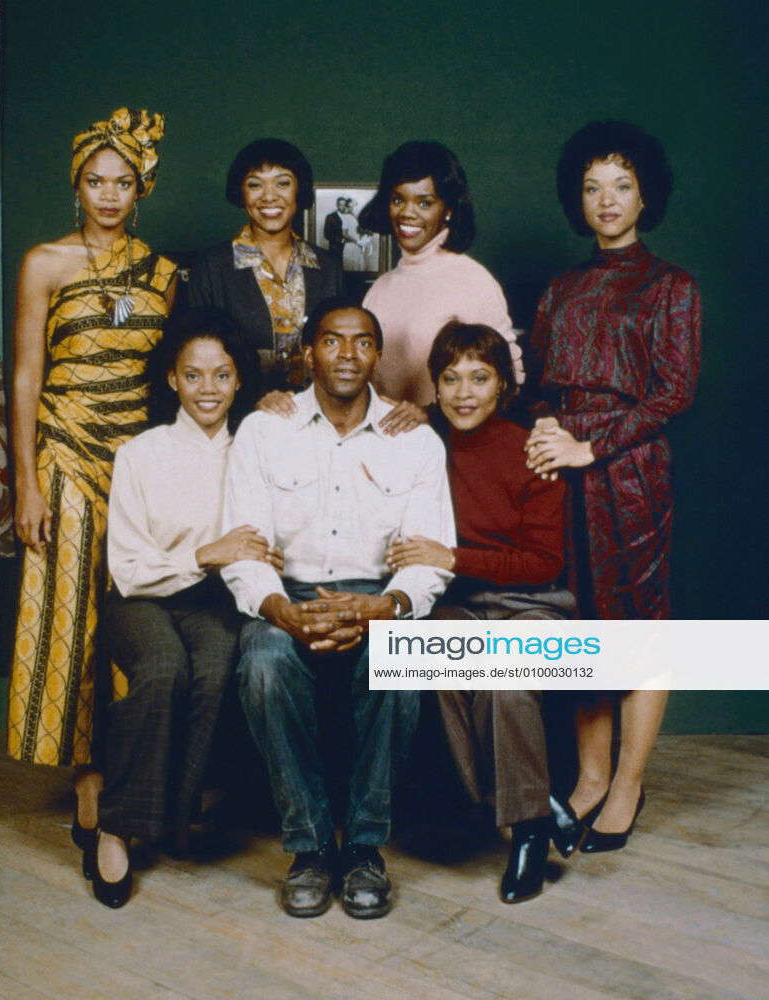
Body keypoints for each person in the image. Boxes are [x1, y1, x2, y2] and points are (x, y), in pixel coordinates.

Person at [221, 296, 455, 919]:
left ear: (378, 355)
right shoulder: (263, 429)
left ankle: (365, 849)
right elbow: (244, 546)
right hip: (286, 595)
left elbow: (427, 559)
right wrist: (278, 608)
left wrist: (386, 606)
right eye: (331, 340)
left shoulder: (416, 442)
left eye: (361, 342)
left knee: (402, 666)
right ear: (308, 352)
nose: (347, 354)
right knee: (265, 665)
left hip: (378, 594)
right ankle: (311, 847)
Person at [6, 108, 176, 877]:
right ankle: (89, 783)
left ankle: (136, 772)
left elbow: (181, 383)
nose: (109, 195)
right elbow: (25, 376)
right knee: (72, 622)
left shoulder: (165, 272)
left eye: (123, 183)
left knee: (138, 619)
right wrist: (23, 483)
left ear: (142, 190)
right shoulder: (46, 261)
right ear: (76, 184)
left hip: (138, 464)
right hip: (65, 457)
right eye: (95, 181)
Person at [525, 121, 701, 854]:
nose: (606, 200)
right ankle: (589, 777)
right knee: (581, 623)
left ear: (645, 194)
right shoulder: (561, 288)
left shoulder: (671, 286)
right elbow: (538, 381)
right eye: (593, 187)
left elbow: (674, 392)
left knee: (636, 625)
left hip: (629, 474)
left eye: (621, 186)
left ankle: (627, 783)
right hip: (564, 468)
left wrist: (590, 445)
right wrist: (542, 432)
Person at [388, 321, 573, 903]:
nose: (465, 392)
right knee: (429, 659)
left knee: (504, 677)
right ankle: (534, 804)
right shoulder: (420, 441)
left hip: (532, 604)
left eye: (479, 378)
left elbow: (544, 563)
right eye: (451, 379)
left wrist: (453, 554)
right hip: (457, 604)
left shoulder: (530, 451)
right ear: (435, 388)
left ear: (501, 387)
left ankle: (524, 831)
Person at [92, 307, 270, 908]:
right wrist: (205, 553)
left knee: (218, 666)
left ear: (239, 379)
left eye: (221, 376)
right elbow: (130, 569)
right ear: (172, 379)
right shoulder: (141, 453)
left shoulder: (254, 449)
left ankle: (171, 814)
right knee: (164, 668)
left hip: (210, 604)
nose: (208, 390)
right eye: (193, 376)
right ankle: (115, 825)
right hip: (138, 600)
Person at [359, 141, 523, 414]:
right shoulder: (380, 288)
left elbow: (508, 380)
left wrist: (431, 418)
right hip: (386, 443)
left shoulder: (472, 280)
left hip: (449, 444)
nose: (407, 213)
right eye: (398, 199)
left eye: (425, 202)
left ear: (448, 210)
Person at [188, 138, 343, 391]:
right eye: (255, 185)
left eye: (283, 183)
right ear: (241, 192)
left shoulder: (328, 267)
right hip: (240, 417)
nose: (269, 196)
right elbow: (198, 357)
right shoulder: (211, 267)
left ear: (298, 190)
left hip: (315, 417)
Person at [323, 196, 347, 264]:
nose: (342, 207)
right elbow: (326, 234)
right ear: (337, 205)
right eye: (340, 205)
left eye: (344, 205)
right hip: (335, 247)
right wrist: (340, 240)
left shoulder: (348, 216)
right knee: (335, 265)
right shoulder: (330, 217)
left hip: (347, 246)